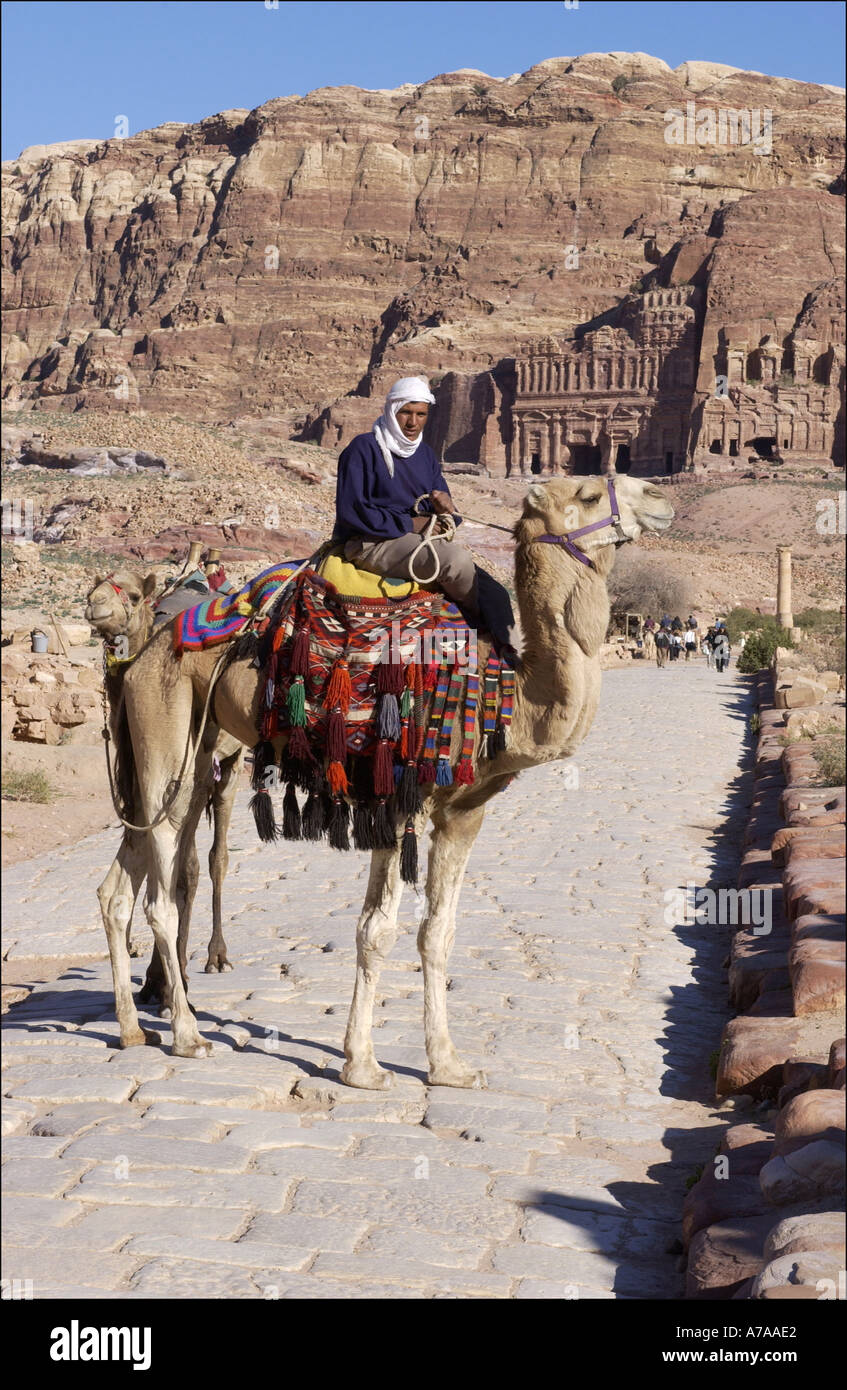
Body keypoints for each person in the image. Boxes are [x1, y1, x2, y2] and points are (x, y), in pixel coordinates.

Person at [333, 376, 514, 649]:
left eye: (421, 414)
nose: (412, 422)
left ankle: (506, 655)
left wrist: (446, 511)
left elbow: (445, 512)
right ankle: (481, 637)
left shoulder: (426, 455)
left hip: (414, 539)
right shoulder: (364, 448)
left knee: (497, 593)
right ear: (392, 410)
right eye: (406, 412)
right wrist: (410, 523)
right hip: (370, 542)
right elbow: (353, 511)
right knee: (455, 561)